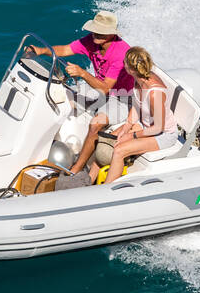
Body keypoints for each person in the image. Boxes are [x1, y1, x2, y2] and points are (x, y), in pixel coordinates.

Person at [30, 10, 135, 175]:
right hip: (100, 90)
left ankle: (78, 167)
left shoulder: (121, 53)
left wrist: (83, 73)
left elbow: (106, 88)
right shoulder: (92, 41)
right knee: (63, 98)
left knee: (95, 125)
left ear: (111, 34)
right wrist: (41, 51)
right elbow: (65, 50)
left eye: (101, 32)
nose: (95, 34)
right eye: (95, 29)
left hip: (122, 98)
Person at [103, 46, 177, 183]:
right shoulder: (139, 80)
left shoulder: (155, 93)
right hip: (145, 124)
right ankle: (89, 179)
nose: (122, 63)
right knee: (108, 140)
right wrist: (126, 128)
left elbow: (158, 128)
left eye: (124, 62)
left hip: (164, 134)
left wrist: (131, 135)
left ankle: (105, 192)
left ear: (131, 69)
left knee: (119, 150)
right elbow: (137, 106)